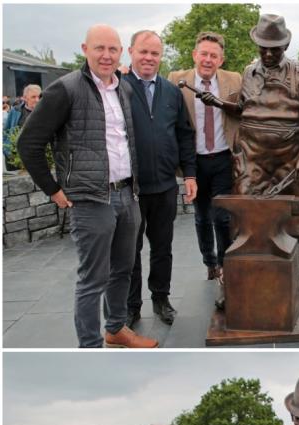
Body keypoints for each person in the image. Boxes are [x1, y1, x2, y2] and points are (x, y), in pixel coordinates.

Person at [16, 24, 157, 349]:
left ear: (120, 52)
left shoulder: (124, 89)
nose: (106, 55)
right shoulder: (64, 90)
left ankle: (115, 328)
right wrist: (53, 189)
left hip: (127, 195)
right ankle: (90, 347)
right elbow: (29, 143)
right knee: (93, 279)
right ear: (85, 49)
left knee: (124, 268)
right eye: (99, 48)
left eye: (112, 49)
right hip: (91, 200)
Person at [198, 13, 299, 300]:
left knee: (295, 224)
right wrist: (222, 104)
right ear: (257, 45)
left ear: (285, 46)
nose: (270, 54)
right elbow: (245, 109)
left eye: (275, 48)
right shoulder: (249, 72)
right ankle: (236, 284)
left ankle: (296, 277)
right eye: (264, 48)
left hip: (292, 161)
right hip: (251, 160)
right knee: (243, 225)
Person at [123, 29, 197, 327]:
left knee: (162, 247)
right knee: (130, 252)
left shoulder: (171, 92)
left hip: (165, 185)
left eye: (155, 53)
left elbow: (184, 134)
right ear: (131, 52)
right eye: (144, 51)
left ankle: (161, 298)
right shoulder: (119, 88)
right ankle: (131, 305)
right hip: (131, 189)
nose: (149, 58)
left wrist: (189, 173)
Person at [168, 31, 242, 282]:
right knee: (201, 217)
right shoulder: (177, 80)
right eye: (204, 54)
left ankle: (225, 264)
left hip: (223, 157)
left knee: (222, 216)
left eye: (214, 56)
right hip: (194, 161)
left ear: (221, 60)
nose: (208, 60)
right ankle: (209, 262)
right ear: (194, 55)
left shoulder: (234, 79)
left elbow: (244, 110)